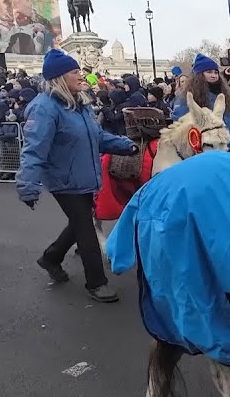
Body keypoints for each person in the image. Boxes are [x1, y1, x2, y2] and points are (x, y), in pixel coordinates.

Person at [18, 48, 139, 303]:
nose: (80, 75)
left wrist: (125, 145)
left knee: (78, 223)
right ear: (61, 77)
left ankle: (51, 258)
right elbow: (33, 149)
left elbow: (97, 137)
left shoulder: (80, 105)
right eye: (75, 71)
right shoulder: (43, 108)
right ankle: (96, 282)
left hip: (84, 177)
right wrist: (28, 185)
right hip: (64, 181)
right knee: (85, 229)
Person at [173, 54, 230, 153]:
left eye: (216, 72)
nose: (214, 75)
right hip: (204, 153)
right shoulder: (185, 99)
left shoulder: (224, 96)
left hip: (229, 151)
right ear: (199, 75)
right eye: (209, 72)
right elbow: (181, 126)